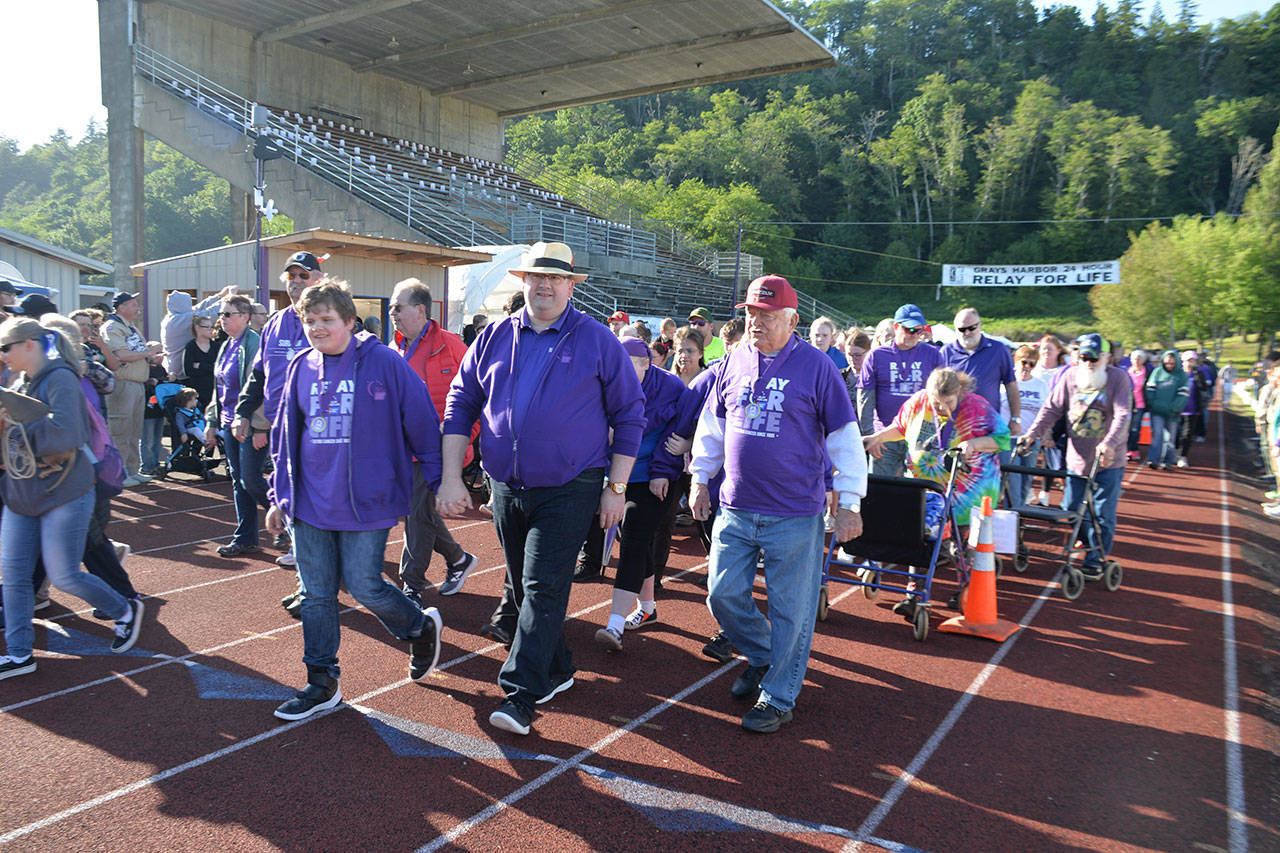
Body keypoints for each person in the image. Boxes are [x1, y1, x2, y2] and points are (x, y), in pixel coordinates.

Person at [436, 241, 645, 737]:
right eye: (537, 277)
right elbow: (460, 404)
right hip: (506, 485)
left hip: (572, 486)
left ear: (572, 285)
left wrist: (616, 487)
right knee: (528, 587)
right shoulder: (492, 338)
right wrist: (450, 476)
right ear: (522, 281)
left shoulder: (597, 340)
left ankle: (521, 693)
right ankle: (557, 668)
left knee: (541, 587)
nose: (545, 285)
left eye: (556, 278)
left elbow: (630, 415)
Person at [689, 274, 866, 734]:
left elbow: (845, 438)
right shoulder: (733, 360)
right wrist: (699, 478)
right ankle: (766, 656)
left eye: (766, 315)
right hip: (736, 504)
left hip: (794, 511)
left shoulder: (817, 367)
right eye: (750, 312)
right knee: (721, 594)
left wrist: (850, 502)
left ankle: (779, 694)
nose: (755, 322)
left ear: (792, 319)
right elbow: (712, 424)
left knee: (791, 607)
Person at [264, 280, 444, 721]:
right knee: (316, 595)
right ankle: (321, 681)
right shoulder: (300, 367)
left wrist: (441, 480)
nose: (318, 329)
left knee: (364, 585)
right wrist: (277, 495)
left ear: (349, 321)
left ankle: (418, 627)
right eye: (310, 321)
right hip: (309, 503)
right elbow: (286, 435)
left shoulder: (382, 361)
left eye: (327, 320)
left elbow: (421, 418)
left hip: (369, 498)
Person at [0, 318, 144, 680]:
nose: (2, 355)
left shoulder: (62, 377)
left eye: (6, 347)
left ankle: (123, 609)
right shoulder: (20, 382)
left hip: (65, 490)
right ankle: (19, 654)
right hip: (23, 493)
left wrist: (16, 427)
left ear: (29, 344)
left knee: (64, 576)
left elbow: (67, 432)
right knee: (15, 578)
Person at [864, 367, 1011, 613]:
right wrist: (877, 437)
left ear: (959, 393)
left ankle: (965, 588)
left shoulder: (978, 408)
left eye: (947, 403)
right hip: (926, 485)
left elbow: (1003, 438)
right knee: (918, 535)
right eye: (935, 402)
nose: (941, 408)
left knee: (960, 541)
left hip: (967, 488)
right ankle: (914, 595)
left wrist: (974, 443)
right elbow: (900, 428)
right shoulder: (918, 402)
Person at [592, 337, 689, 652]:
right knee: (633, 538)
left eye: (628, 363)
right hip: (619, 474)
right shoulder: (607, 384)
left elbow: (685, 425)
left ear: (648, 363)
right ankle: (647, 607)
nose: (619, 369)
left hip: (653, 477)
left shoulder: (671, 387)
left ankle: (615, 624)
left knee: (634, 535)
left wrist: (664, 468)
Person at [388, 277, 478, 602]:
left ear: (421, 309)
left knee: (417, 515)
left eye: (398, 307)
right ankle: (458, 558)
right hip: (406, 451)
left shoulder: (451, 345)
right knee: (421, 513)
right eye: (390, 309)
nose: (392, 314)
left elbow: (478, 397)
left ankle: (411, 585)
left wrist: (461, 439)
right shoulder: (395, 350)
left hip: (441, 450)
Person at [235, 252, 319, 581]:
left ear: (317, 279)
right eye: (291, 276)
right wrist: (244, 411)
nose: (296, 282)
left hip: (314, 425)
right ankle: (301, 545)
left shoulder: (325, 318)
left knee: (307, 488)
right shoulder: (274, 322)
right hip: (277, 424)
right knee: (267, 483)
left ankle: (312, 564)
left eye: (304, 275)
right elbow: (258, 374)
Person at [1019, 333, 1131, 580]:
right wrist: (1032, 435)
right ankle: (1092, 542)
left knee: (1103, 513)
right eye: (1084, 357)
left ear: (1106, 357)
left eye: (1094, 357)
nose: (1089, 362)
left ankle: (1095, 559)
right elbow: (1051, 409)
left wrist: (1109, 443)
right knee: (1070, 509)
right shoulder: (1070, 377)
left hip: (1108, 460)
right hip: (1077, 459)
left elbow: (1123, 414)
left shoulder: (1118, 378)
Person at [206, 295, 268, 556]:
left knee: (251, 479)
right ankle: (245, 538)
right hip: (229, 423)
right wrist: (211, 421)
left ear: (245, 317)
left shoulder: (254, 344)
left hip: (249, 423)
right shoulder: (226, 345)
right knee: (238, 480)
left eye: (228, 314)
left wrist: (258, 426)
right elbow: (218, 388)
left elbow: (261, 386)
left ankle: (292, 523)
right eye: (221, 314)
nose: (223, 318)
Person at [857, 303, 944, 477]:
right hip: (884, 433)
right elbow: (865, 399)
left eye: (919, 330)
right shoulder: (876, 355)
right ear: (896, 327)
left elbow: (944, 396)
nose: (914, 335)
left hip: (922, 435)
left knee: (922, 490)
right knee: (882, 489)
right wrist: (871, 436)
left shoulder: (933, 354)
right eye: (909, 329)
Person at [101, 292, 164, 486]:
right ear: (121, 307)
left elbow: (135, 354)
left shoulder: (130, 327)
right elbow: (121, 355)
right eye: (133, 304)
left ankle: (132, 470)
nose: (138, 307)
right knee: (120, 430)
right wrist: (148, 352)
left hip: (137, 384)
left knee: (134, 431)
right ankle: (118, 473)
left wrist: (151, 359)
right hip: (123, 384)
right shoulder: (112, 327)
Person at [941, 308, 1019, 435]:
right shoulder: (945, 353)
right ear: (955, 330)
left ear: (980, 325)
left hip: (988, 425)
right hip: (954, 426)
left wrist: (1015, 418)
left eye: (971, 328)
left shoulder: (998, 350)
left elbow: (1011, 385)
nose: (967, 332)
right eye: (962, 329)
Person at [1005, 345, 1048, 505]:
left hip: (1031, 440)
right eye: (1024, 362)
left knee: (1025, 483)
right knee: (1013, 481)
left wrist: (1044, 433)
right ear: (1016, 361)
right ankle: (1013, 517)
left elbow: (1046, 411)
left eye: (1032, 364)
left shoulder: (1041, 385)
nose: (1027, 367)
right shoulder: (1006, 383)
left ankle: (1019, 516)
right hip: (1009, 439)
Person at [161, 287, 233, 379]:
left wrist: (218, 296)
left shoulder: (171, 318)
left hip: (173, 368)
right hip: (181, 373)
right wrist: (230, 298)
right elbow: (210, 313)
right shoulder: (182, 320)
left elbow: (198, 308)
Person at [1143, 350, 1189, 470]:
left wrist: (1174, 407)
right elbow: (1150, 390)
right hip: (1157, 410)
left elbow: (1183, 394)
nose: (1169, 365)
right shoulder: (1157, 372)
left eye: (1172, 363)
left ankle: (1168, 461)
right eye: (1167, 362)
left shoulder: (1181, 375)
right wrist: (1153, 404)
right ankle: (1153, 459)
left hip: (1172, 412)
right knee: (1157, 434)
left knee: (1170, 436)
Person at [182, 313, 218, 412]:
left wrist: (200, 365)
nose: (211, 330)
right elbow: (188, 371)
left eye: (212, 327)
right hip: (197, 392)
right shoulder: (191, 347)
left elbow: (219, 369)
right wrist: (211, 367)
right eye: (207, 327)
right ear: (197, 328)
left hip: (215, 390)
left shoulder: (217, 346)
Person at [1126, 350, 1149, 460]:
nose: (1136, 361)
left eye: (1139, 358)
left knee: (1135, 429)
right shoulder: (1127, 372)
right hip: (1128, 404)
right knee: (1126, 428)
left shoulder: (1147, 373)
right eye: (1134, 358)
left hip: (1140, 404)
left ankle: (1133, 450)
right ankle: (1127, 449)